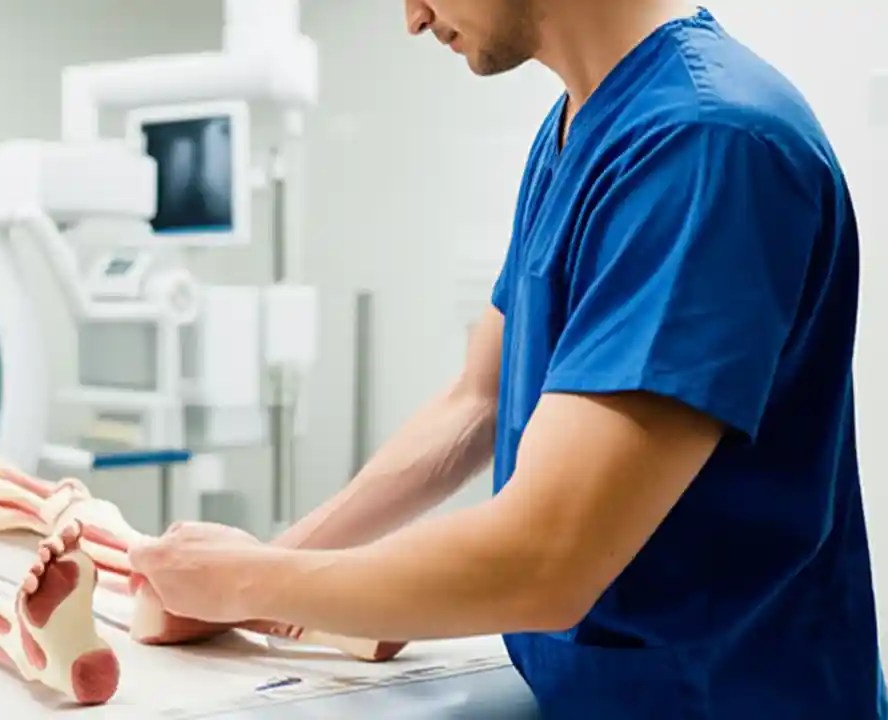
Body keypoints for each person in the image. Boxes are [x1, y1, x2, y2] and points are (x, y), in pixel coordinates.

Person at [129, 1, 886, 717]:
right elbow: (476, 400)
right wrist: (275, 570)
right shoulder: (576, 128)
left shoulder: (707, 145)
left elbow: (544, 557)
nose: (413, 17)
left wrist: (249, 581)